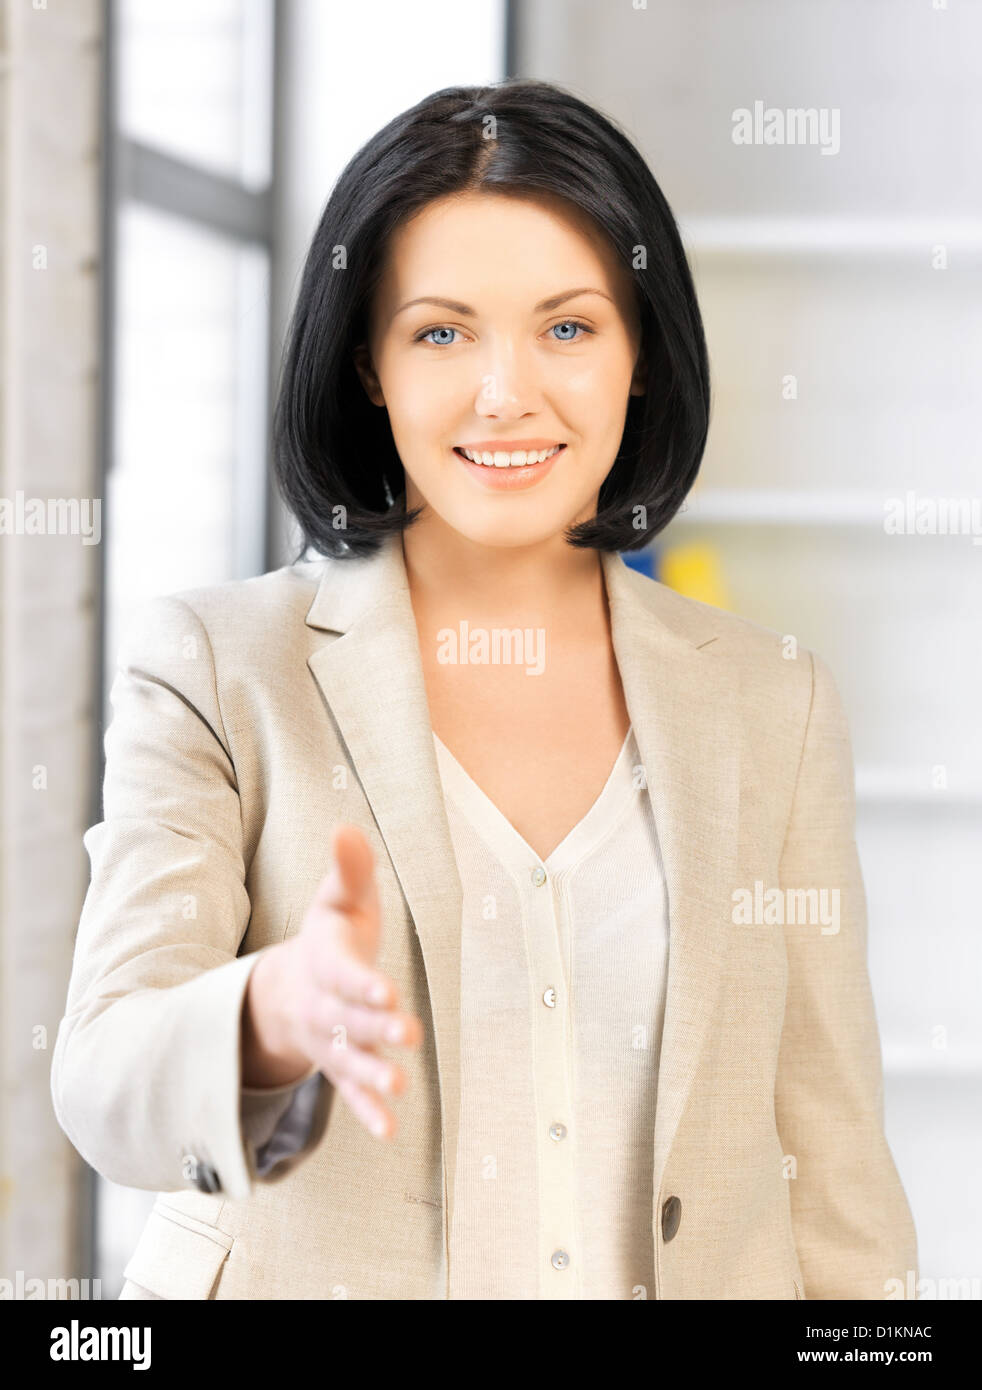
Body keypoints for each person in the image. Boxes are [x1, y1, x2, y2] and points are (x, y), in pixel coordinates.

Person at [51, 78, 917, 1300]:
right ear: (368, 362)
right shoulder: (214, 665)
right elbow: (103, 1082)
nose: (505, 392)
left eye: (566, 327)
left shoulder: (775, 707)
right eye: (442, 331)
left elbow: (832, 1170)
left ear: (641, 355)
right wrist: (270, 1012)